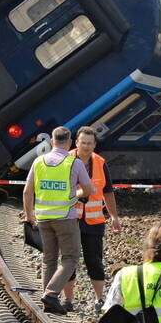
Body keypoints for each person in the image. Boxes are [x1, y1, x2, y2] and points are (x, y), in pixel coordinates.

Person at [23, 126, 93, 316]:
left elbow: (27, 191)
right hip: (65, 218)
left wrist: (29, 216)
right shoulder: (74, 163)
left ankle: (48, 299)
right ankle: (51, 294)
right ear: (70, 143)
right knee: (70, 257)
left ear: (52, 142)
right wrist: (75, 194)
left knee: (49, 259)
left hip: (43, 217)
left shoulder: (38, 162)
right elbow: (88, 189)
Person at [62, 127, 120, 312]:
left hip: (93, 222)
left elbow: (108, 192)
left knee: (94, 260)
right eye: (83, 143)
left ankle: (99, 299)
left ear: (95, 144)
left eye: (90, 143)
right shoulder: (66, 161)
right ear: (76, 143)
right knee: (69, 259)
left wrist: (113, 216)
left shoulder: (100, 163)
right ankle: (68, 300)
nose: (86, 147)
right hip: (70, 219)